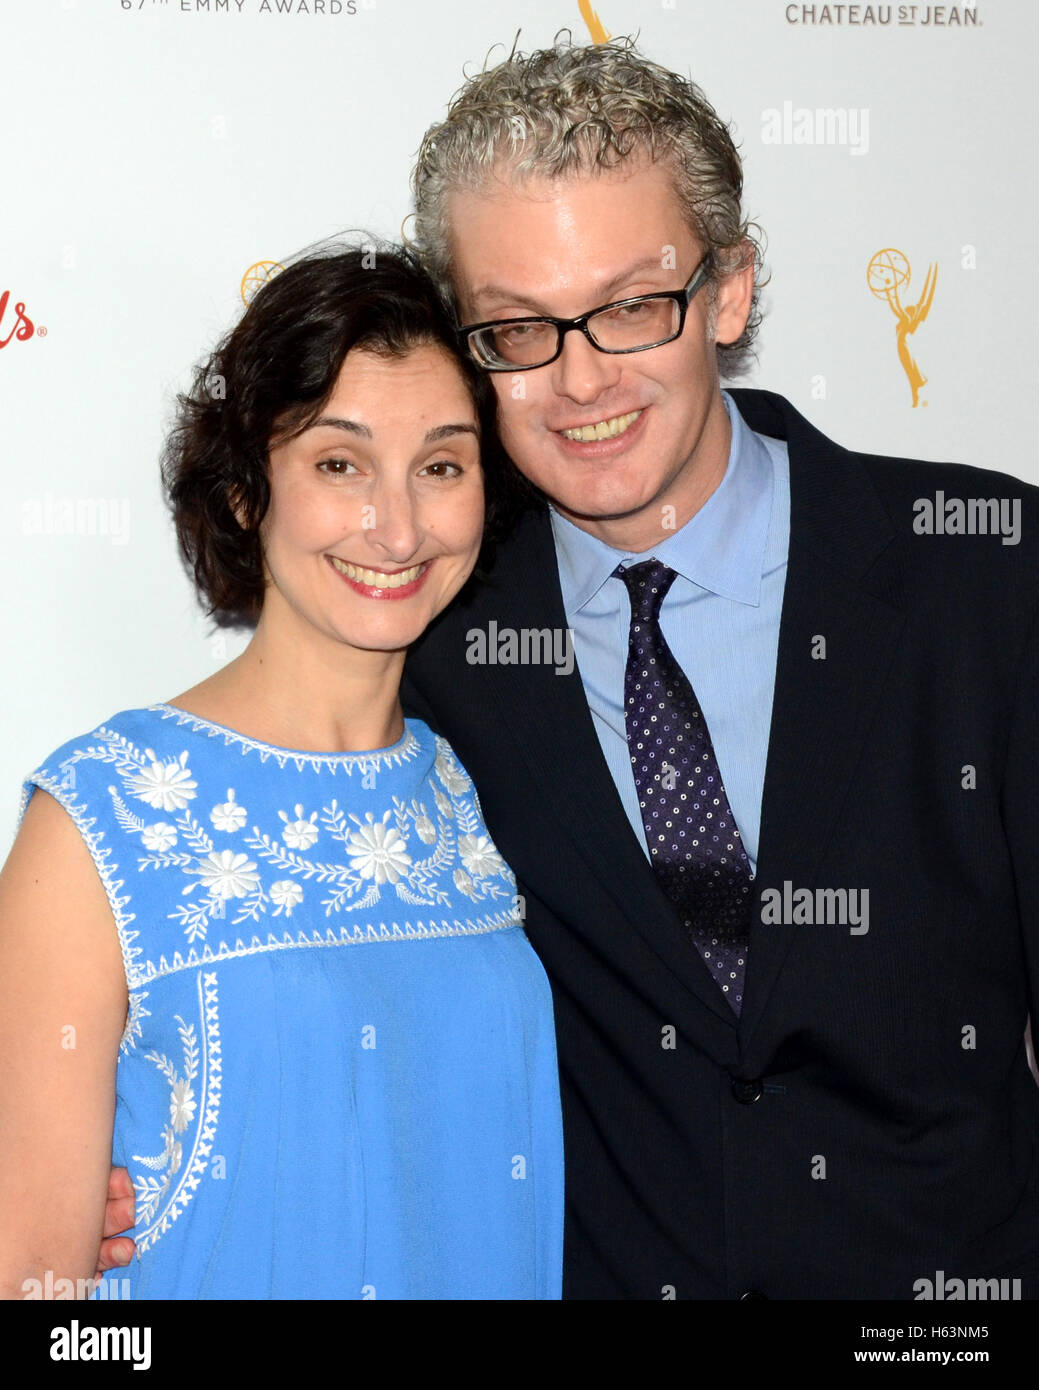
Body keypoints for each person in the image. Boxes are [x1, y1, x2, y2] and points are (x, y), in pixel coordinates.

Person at [99, 36, 1039, 1300]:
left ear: (731, 292)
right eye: (518, 328)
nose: (581, 377)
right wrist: (141, 1168)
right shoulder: (419, 627)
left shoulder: (985, 574)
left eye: (633, 305)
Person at [0, 243, 564, 1300]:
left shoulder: (469, 792)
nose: (395, 527)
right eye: (339, 463)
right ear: (247, 492)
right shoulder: (101, 815)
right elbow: (29, 1281)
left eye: (440, 465)